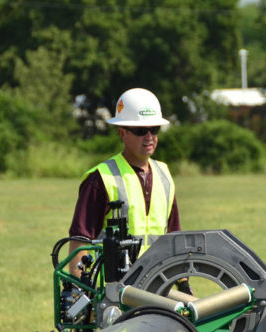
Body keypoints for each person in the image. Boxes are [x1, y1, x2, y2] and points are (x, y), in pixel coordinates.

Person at [68, 88, 190, 292]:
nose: (149, 136)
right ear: (122, 133)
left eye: (154, 129)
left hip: (160, 286)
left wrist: (183, 283)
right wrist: (80, 293)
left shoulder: (165, 175)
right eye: (141, 130)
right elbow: (80, 241)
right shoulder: (101, 178)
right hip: (115, 290)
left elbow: (175, 237)